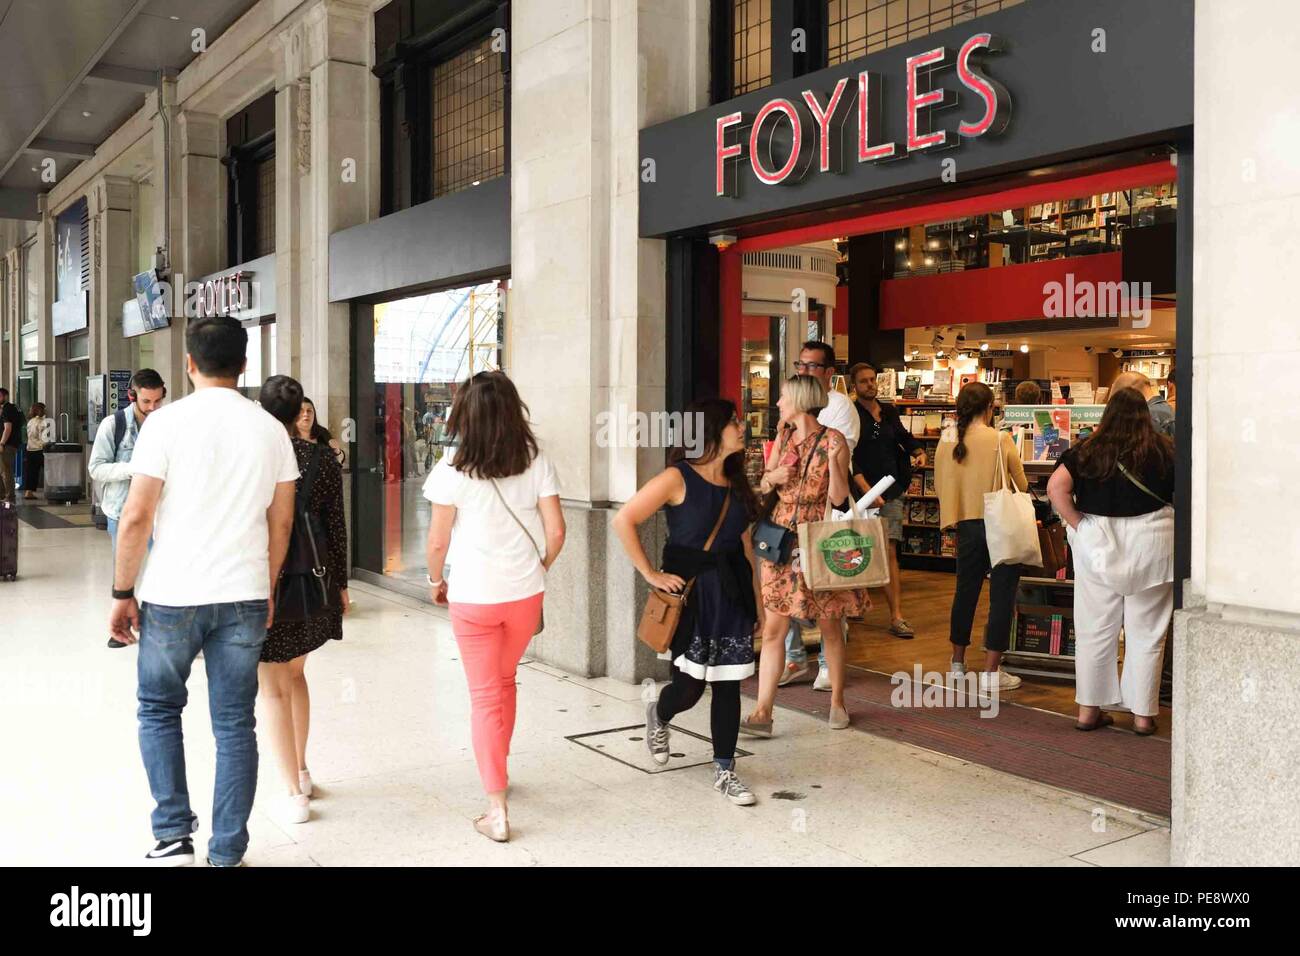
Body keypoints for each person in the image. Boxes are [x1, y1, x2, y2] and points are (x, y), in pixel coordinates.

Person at [108, 316, 299, 867]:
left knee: (159, 709)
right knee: (236, 722)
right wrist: (266, 586)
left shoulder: (164, 425)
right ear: (244, 365)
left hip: (171, 594)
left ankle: (172, 836)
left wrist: (123, 591)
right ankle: (227, 850)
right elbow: (281, 525)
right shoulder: (271, 430)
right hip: (242, 594)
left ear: (188, 364)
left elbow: (137, 515)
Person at [423, 371, 565, 843]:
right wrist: (537, 567)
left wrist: (434, 579)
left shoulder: (450, 468)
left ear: (467, 414)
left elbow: (438, 540)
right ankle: (498, 769)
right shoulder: (536, 459)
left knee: (485, 695)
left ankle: (497, 808)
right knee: (506, 681)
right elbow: (557, 531)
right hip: (525, 595)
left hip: (473, 596)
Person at [612, 398, 761, 806]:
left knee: (730, 686)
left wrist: (759, 607)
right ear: (712, 430)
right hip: (693, 597)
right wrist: (651, 574)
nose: (741, 426)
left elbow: (746, 548)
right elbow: (623, 519)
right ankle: (660, 715)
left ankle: (726, 770)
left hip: (732, 596)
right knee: (690, 688)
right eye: (733, 421)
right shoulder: (677, 477)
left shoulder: (738, 482)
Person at [742, 374, 869, 736]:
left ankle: (837, 702)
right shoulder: (783, 437)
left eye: (783, 397)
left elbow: (840, 499)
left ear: (799, 399)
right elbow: (765, 482)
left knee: (830, 625)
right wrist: (775, 476)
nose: (778, 403)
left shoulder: (834, 440)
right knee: (773, 629)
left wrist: (833, 464)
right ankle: (763, 712)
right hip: (780, 541)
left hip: (818, 540)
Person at [1047, 387, 1174, 734]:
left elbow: (1056, 488)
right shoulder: (1164, 449)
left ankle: (1089, 709)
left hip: (1099, 543)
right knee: (1147, 632)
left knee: (1094, 627)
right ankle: (1143, 715)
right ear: (1145, 416)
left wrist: (1080, 525)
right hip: (1153, 544)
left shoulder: (1087, 450)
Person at [257, 376, 351, 825]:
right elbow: (337, 523)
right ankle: (305, 769)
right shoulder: (321, 457)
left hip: (266, 579)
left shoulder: (254, 457)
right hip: (313, 579)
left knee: (272, 687)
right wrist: (342, 582)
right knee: (296, 675)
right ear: (300, 413)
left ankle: (293, 791)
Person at [935, 382, 1028, 693]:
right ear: (990, 407)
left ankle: (957, 664)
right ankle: (991, 671)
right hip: (1000, 523)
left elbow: (939, 481)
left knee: (965, 592)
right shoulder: (1000, 439)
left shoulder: (946, 438)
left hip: (966, 525)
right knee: (1002, 596)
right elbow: (1022, 483)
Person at [780, 342, 859, 689]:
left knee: (829, 598)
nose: (805, 371)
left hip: (825, 518)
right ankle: (795, 659)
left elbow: (834, 481)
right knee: (789, 595)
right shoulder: (787, 424)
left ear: (829, 373)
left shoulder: (839, 410)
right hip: (791, 522)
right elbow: (776, 472)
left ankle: (828, 667)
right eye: (801, 365)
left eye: (812, 366)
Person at [89, 369, 167, 649]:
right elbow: (96, 468)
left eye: (158, 401)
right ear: (132, 396)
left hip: (162, 514)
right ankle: (120, 626)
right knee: (125, 572)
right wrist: (133, 469)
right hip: (122, 511)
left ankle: (163, 630)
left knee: (164, 572)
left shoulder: (168, 424)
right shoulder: (114, 425)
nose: (153, 408)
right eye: (146, 402)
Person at [846, 361, 924, 640]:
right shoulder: (851, 413)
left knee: (890, 550)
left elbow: (902, 435)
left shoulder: (888, 410)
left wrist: (916, 450)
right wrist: (866, 488)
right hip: (860, 492)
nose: (870, 384)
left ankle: (897, 616)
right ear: (854, 385)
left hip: (891, 488)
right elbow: (850, 454)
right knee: (856, 549)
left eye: (872, 380)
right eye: (864, 381)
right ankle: (853, 604)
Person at [294, 396, 346, 467]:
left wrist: (337, 451)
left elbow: (336, 463)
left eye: (309, 411)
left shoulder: (322, 433)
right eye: (301, 411)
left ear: (314, 414)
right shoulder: (285, 437)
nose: (306, 414)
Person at [0, 387, 24, 504]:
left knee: (6, 471)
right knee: (4, 470)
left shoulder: (7, 409)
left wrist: (2, 443)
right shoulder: (16, 408)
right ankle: (4, 494)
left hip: (7, 444)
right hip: (14, 443)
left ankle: (9, 496)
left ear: (4, 396)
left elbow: (7, 428)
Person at [23, 402, 50, 500]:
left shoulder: (30, 422)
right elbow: (45, 439)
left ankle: (28, 492)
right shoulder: (43, 422)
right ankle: (53, 489)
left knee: (31, 472)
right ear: (41, 410)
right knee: (50, 469)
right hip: (40, 450)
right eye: (44, 409)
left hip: (30, 449)